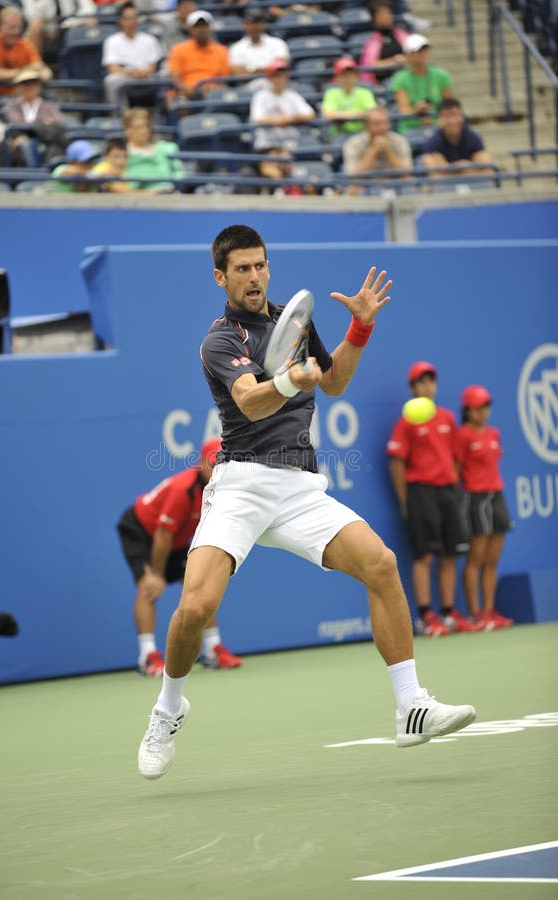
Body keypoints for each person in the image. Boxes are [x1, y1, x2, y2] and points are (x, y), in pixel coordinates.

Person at [137, 224, 476, 781]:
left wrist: (359, 329)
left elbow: (335, 380)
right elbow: (248, 403)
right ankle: (168, 708)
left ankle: (410, 705)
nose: (254, 276)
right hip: (241, 483)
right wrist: (292, 380)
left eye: (260, 265)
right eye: (242, 269)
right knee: (195, 607)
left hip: (298, 485)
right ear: (220, 277)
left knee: (383, 565)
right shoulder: (220, 339)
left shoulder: (292, 321)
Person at [117, 439, 242, 676]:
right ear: (200, 463)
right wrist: (156, 573)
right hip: (142, 530)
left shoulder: (221, 490)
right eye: (214, 464)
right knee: (149, 586)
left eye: (223, 464)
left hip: (175, 539)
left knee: (201, 585)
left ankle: (213, 648)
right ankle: (148, 656)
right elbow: (163, 535)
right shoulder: (182, 488)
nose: (218, 470)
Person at [387, 360, 475, 638]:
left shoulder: (448, 418)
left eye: (430, 381)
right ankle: (426, 617)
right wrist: (405, 501)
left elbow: (457, 459)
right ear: (413, 388)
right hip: (421, 493)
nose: (427, 386)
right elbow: (397, 463)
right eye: (421, 382)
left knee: (451, 554)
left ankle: (448, 614)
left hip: (448, 492)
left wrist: (451, 482)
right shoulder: (407, 422)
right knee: (425, 556)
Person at [456, 386, 514, 630]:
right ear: (467, 410)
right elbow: (456, 469)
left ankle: (490, 611)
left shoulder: (494, 433)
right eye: (477, 407)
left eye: (485, 407)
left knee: (492, 560)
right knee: (476, 558)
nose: (483, 412)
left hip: (497, 495)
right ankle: (476, 614)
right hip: (475, 499)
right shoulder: (463, 435)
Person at [0, 7, 52, 97]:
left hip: (21, 96)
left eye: (18, 27)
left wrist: (43, 73)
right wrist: (23, 72)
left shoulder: (25, 45)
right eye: (11, 27)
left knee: (49, 100)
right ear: (0, 27)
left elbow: (44, 72)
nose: (15, 32)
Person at [389, 34, 454, 132]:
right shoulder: (400, 79)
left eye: (424, 50)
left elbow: (449, 106)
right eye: (417, 51)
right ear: (408, 54)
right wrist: (416, 110)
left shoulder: (442, 75)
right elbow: (404, 111)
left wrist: (441, 121)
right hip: (411, 128)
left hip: (439, 126)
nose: (422, 53)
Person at [102, 2, 163, 107]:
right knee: (111, 80)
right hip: (126, 76)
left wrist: (144, 72)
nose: (133, 20)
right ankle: (120, 115)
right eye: (128, 17)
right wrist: (132, 72)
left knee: (165, 74)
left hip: (147, 76)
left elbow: (153, 65)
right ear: (120, 20)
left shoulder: (149, 39)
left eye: (135, 17)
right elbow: (112, 68)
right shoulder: (112, 41)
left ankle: (161, 115)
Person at [249, 59, 316, 152]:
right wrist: (279, 120)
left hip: (292, 143)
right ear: (270, 79)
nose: (280, 79)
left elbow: (310, 115)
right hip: (267, 144)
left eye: (283, 75)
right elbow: (258, 119)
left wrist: (290, 118)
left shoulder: (293, 95)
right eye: (276, 76)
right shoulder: (261, 96)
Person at [3, 68, 68, 164]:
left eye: (33, 83)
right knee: (26, 145)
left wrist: (29, 130)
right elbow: (16, 123)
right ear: (18, 87)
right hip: (20, 145)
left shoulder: (49, 106)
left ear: (39, 86)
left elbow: (56, 123)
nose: (29, 87)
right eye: (25, 84)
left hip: (47, 143)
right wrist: (43, 123)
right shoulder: (12, 106)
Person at [342, 106, 412, 195]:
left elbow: (406, 175)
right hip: (366, 185)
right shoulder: (353, 144)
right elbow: (354, 177)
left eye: (385, 123)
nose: (382, 128)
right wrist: (373, 151)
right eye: (377, 124)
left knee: (410, 187)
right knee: (352, 189)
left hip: (395, 183)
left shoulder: (400, 141)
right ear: (367, 126)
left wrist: (389, 150)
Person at [167, 10, 230, 102]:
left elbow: (224, 81)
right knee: (177, 101)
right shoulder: (178, 50)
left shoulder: (222, 50)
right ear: (190, 29)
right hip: (186, 93)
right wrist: (193, 91)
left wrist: (212, 89)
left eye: (204, 26)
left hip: (213, 93)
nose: (201, 29)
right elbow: (175, 80)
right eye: (197, 26)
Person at [420, 97, 493, 178]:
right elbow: (434, 177)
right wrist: (464, 168)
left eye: (454, 115)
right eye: (446, 116)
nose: (451, 121)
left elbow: (487, 172)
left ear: (462, 116)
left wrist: (447, 169)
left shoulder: (474, 138)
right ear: (439, 119)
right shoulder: (432, 142)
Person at [123, 106, 182, 191]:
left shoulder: (166, 149)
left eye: (146, 126)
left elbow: (178, 174)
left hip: (169, 195)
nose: (144, 131)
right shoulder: (122, 154)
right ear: (127, 130)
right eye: (138, 127)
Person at [228, 8, 290, 81]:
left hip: (275, 85)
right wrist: (268, 69)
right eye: (251, 23)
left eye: (258, 22)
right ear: (244, 25)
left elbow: (281, 68)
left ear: (264, 24)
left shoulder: (278, 43)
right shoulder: (236, 47)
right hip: (249, 88)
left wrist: (253, 70)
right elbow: (239, 73)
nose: (255, 27)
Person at [321, 57, 377, 137]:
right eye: (344, 75)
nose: (348, 78)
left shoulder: (365, 92)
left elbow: (372, 113)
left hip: (362, 133)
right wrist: (357, 114)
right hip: (339, 134)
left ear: (356, 76)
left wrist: (340, 115)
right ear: (338, 77)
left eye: (351, 75)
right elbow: (328, 114)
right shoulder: (331, 93)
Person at [359, 0, 409, 87]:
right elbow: (371, 66)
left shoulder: (402, 35)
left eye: (388, 13)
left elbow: (414, 57)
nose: (386, 16)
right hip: (383, 83)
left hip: (406, 78)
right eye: (381, 14)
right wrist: (394, 61)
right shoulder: (372, 41)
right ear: (374, 18)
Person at [20, 0, 97, 55]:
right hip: (46, 26)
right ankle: (35, 64)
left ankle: (80, 66)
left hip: (70, 25)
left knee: (91, 20)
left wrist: (72, 22)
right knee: (35, 25)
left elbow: (89, 8)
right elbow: (31, 15)